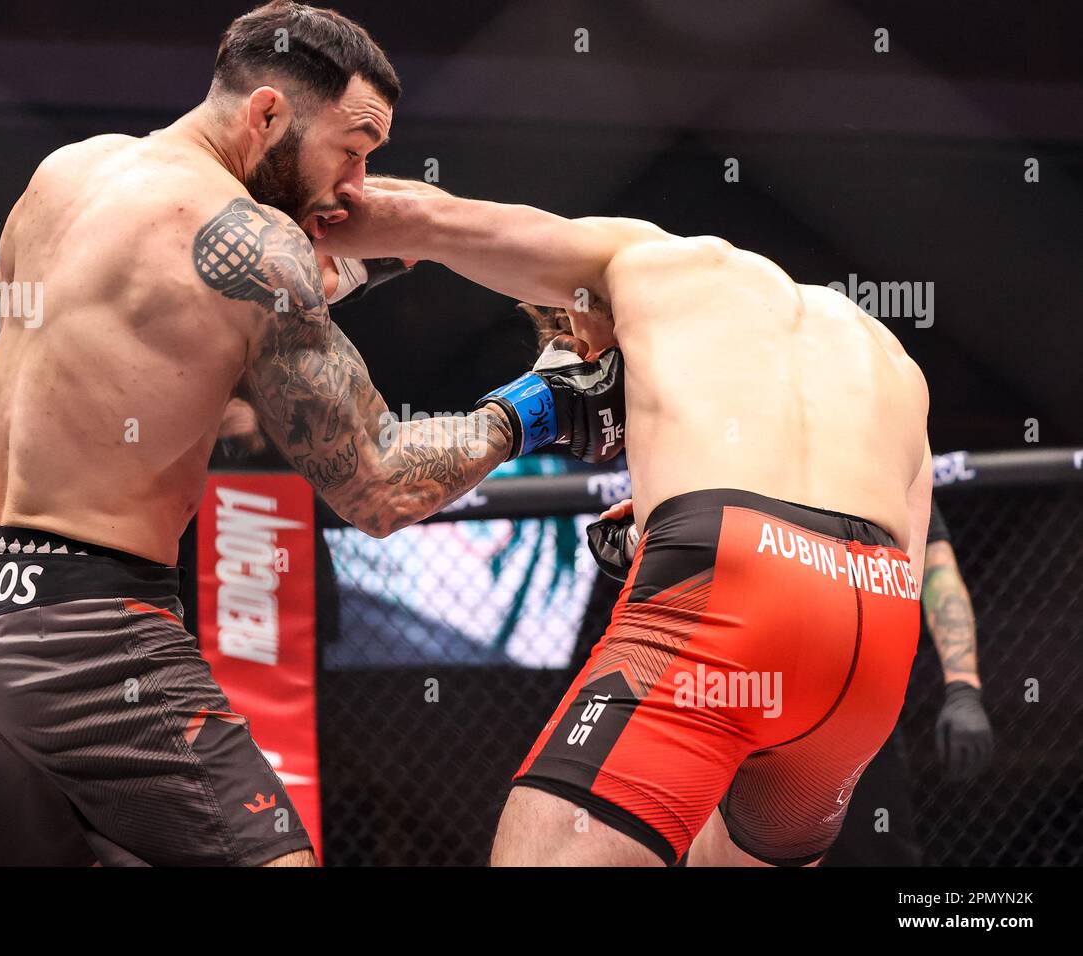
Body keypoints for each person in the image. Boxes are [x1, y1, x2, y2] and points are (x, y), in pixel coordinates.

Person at [0, 1, 625, 867]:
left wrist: (346, 267)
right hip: (93, 638)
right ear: (267, 113)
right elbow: (379, 486)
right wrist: (539, 404)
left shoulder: (70, 174)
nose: (359, 185)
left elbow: (167, 310)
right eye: (353, 149)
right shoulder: (256, 247)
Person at [319, 176, 932, 866]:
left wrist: (285, 214)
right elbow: (900, 552)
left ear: (576, 319)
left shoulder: (640, 259)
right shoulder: (877, 345)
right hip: (871, 639)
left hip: (726, 584)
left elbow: (428, 216)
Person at [821, 496, 993, 865]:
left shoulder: (885, 451)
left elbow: (936, 568)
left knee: (874, 852)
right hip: (755, 693)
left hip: (858, 704)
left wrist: (962, 685)